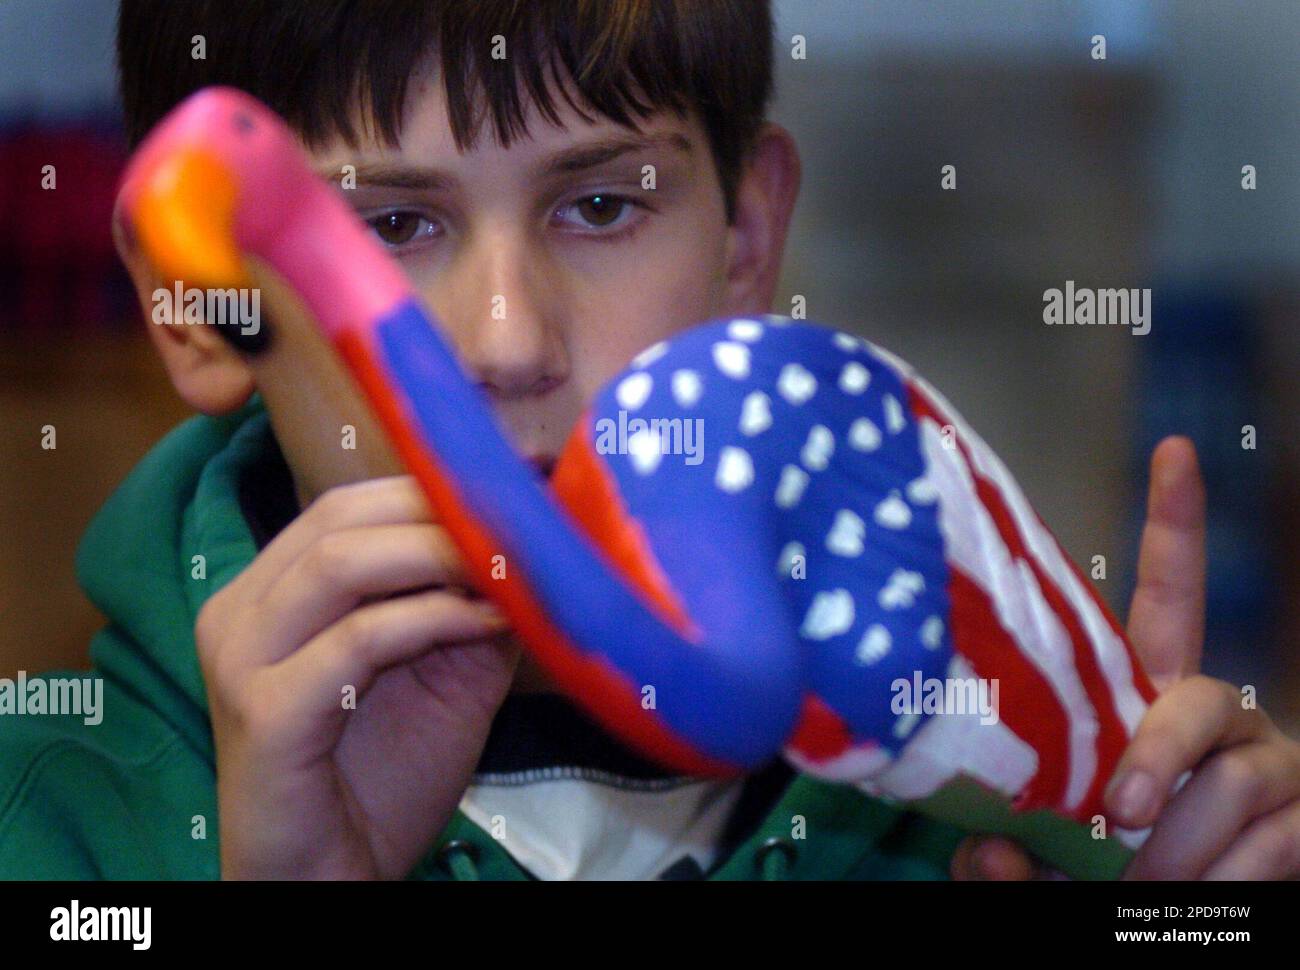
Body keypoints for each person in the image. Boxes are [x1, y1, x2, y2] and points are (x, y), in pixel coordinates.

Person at [2, 0, 1296, 880]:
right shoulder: (50, 823)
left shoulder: (932, 776)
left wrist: (1166, 876)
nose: (511, 343)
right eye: (390, 229)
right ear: (203, 303)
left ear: (745, 240)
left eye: (603, 205)